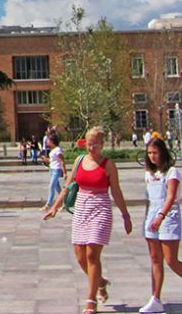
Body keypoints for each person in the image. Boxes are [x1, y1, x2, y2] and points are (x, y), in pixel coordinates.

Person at [44, 127, 132, 314]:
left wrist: (125, 215)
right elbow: (67, 187)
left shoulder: (108, 165)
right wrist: (54, 207)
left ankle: (91, 301)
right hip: (82, 207)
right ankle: (100, 282)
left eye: (96, 144)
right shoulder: (79, 160)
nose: (92, 148)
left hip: (100, 208)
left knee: (92, 254)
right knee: (80, 256)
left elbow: (116, 191)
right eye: (89, 144)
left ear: (102, 144)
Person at [139, 138, 182, 313]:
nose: (152, 156)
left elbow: (171, 196)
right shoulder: (149, 174)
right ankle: (155, 298)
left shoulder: (172, 172)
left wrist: (161, 216)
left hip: (168, 216)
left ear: (162, 153)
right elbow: (149, 199)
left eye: (155, 153)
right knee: (155, 259)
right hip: (152, 217)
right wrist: (148, 221)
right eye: (149, 153)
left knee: (171, 260)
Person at [40, 133, 66, 211]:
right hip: (52, 169)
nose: (47, 142)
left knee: (51, 186)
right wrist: (46, 159)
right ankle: (65, 203)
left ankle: (48, 205)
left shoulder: (58, 149)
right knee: (57, 188)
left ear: (52, 141)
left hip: (56, 170)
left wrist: (65, 172)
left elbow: (62, 161)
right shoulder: (53, 150)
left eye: (48, 141)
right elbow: (52, 160)